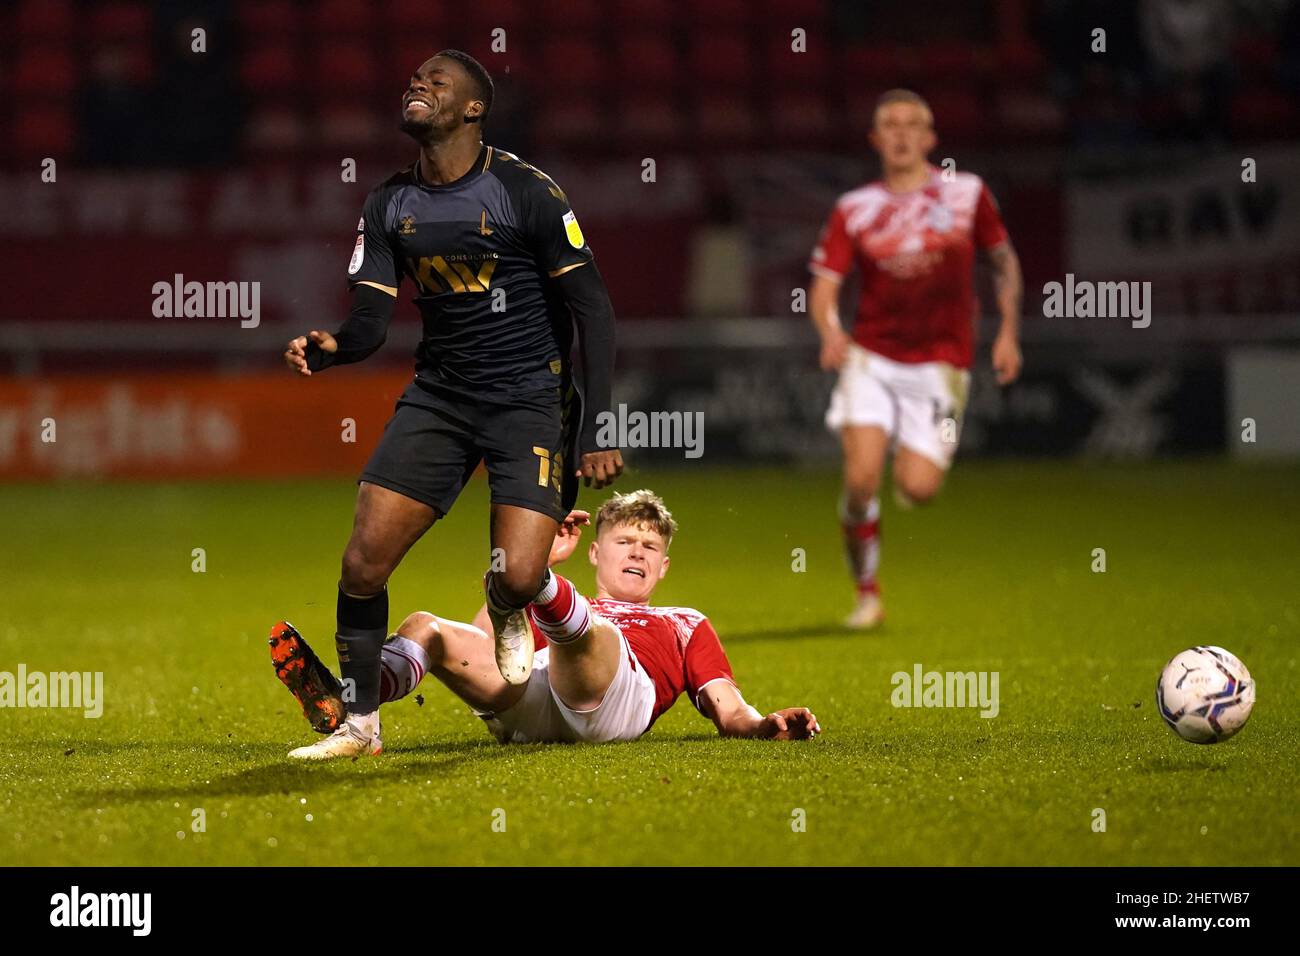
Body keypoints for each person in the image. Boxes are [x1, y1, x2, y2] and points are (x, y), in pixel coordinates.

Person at [278, 50, 622, 760]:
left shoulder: (527, 192)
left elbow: (595, 308)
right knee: (363, 564)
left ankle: (504, 606)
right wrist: (334, 348)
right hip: (440, 398)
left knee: (523, 574)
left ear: (473, 108)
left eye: (436, 82)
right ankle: (360, 726)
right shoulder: (388, 204)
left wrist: (600, 425)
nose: (416, 85)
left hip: (530, 399)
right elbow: (372, 323)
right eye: (412, 79)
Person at [270, 490, 820, 749]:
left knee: (591, 636)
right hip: (530, 698)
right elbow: (484, 645)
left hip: (612, 706)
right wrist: (535, 568)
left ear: (665, 564)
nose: (637, 553)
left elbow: (727, 706)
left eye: (649, 546)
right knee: (425, 628)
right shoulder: (560, 600)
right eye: (624, 541)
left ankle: (530, 574)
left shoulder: (684, 621)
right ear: (596, 553)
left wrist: (763, 724)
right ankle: (354, 703)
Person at [807, 89, 1024, 629]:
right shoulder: (854, 209)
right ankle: (867, 594)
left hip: (942, 364)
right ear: (876, 140)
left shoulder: (968, 193)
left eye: (912, 125)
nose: (901, 134)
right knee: (860, 481)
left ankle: (909, 465)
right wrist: (831, 332)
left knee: (918, 489)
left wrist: (1008, 333)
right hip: (872, 358)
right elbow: (824, 287)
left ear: (930, 139)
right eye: (890, 125)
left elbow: (1003, 263)